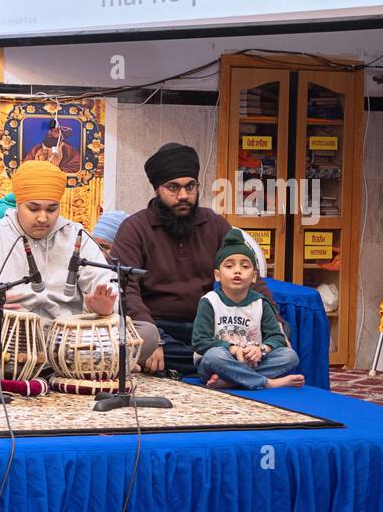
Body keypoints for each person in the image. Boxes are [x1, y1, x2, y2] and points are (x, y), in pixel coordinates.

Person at [0, 161, 160, 377]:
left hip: (71, 339)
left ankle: (40, 369)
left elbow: (105, 279)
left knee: (147, 334)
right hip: (13, 340)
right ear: (18, 204)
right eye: (33, 208)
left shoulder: (76, 236)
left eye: (52, 208)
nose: (43, 217)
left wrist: (104, 309)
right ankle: (78, 368)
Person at [112, 142, 281, 376]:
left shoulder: (214, 224)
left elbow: (251, 275)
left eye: (190, 186)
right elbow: (125, 290)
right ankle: (232, 365)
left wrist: (275, 319)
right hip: (160, 328)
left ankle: (221, 363)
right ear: (157, 189)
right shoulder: (135, 228)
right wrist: (154, 339)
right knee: (136, 344)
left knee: (281, 337)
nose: (183, 195)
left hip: (212, 326)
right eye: (173, 187)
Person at [195, 231, 303, 390]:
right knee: (214, 355)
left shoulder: (260, 303)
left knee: (290, 356)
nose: (237, 271)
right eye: (229, 266)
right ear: (217, 275)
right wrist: (234, 349)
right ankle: (265, 382)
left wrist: (261, 349)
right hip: (218, 364)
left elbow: (276, 337)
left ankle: (233, 381)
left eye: (244, 266)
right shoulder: (209, 302)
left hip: (252, 362)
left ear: (254, 276)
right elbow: (200, 342)